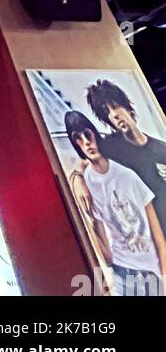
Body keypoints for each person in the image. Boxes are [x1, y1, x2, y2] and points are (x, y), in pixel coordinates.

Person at [65, 110, 166, 297]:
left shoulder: (127, 174)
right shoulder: (87, 184)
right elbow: (105, 252)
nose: (86, 142)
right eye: (77, 139)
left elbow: (157, 234)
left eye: (87, 134)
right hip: (123, 275)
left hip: (153, 273)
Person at [87, 79, 166, 231]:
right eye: (107, 112)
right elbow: (87, 160)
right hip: (146, 233)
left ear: (129, 109)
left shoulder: (161, 149)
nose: (114, 115)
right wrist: (77, 179)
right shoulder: (110, 147)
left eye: (115, 107)